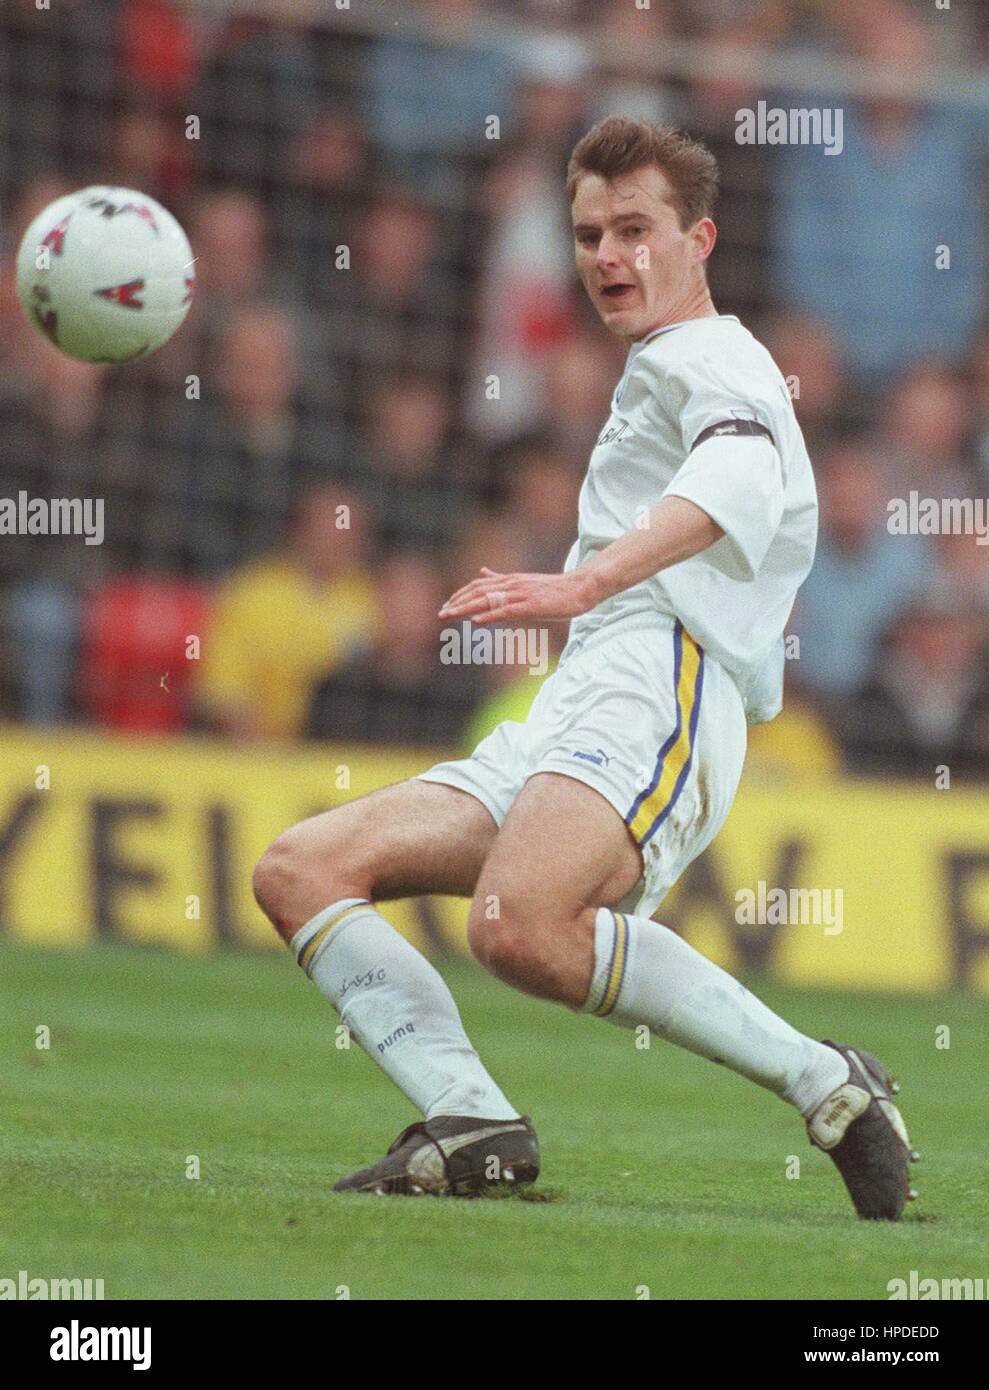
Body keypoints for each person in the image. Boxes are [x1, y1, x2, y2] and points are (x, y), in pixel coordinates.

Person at [253, 118, 917, 1218]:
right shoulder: (656, 366)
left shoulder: (715, 356)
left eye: (635, 229)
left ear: (697, 238)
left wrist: (586, 583)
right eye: (588, 234)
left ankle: (824, 1080)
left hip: (664, 677)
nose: (609, 255)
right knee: (299, 869)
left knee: (517, 924)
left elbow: (740, 472)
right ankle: (469, 1118)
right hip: (581, 696)